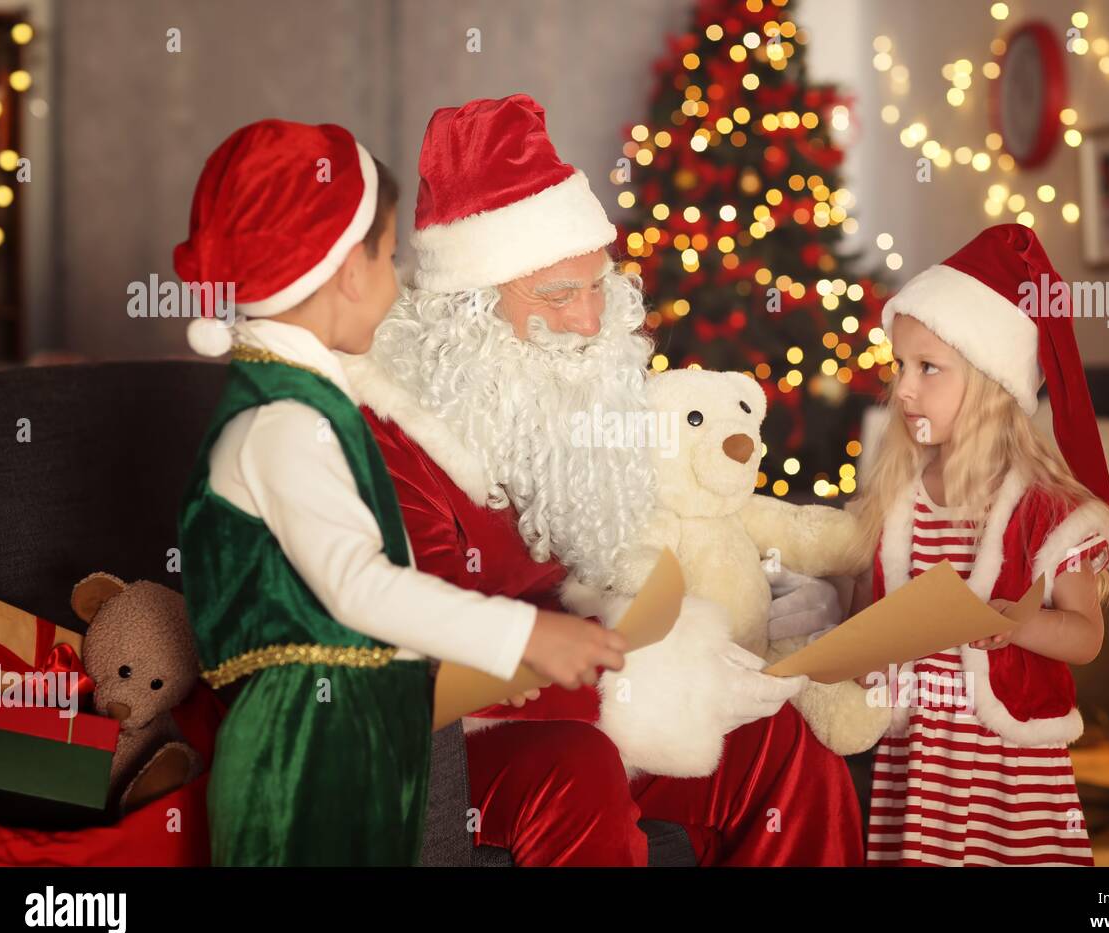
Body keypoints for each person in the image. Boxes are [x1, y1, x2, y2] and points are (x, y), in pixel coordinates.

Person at [345, 94, 868, 866]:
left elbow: (662, 548)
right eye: (557, 295)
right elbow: (429, 665)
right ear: (469, 312)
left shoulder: (587, 405)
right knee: (576, 768)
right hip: (460, 740)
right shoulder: (394, 442)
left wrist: (763, 604)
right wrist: (653, 682)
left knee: (781, 744)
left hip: (602, 701)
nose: (591, 322)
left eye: (597, 285)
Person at [175, 119, 625, 865]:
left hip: (353, 732)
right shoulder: (283, 422)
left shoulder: (309, 406)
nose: (397, 276)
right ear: (351, 272)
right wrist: (526, 636)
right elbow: (359, 586)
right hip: (301, 747)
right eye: (389, 255)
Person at [846, 224, 1109, 866]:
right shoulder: (899, 493)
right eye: (900, 365)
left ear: (989, 382)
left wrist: (1018, 623)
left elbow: (1085, 636)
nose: (903, 388)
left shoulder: (1045, 508)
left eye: (929, 368)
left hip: (1005, 760)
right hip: (918, 754)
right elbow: (869, 612)